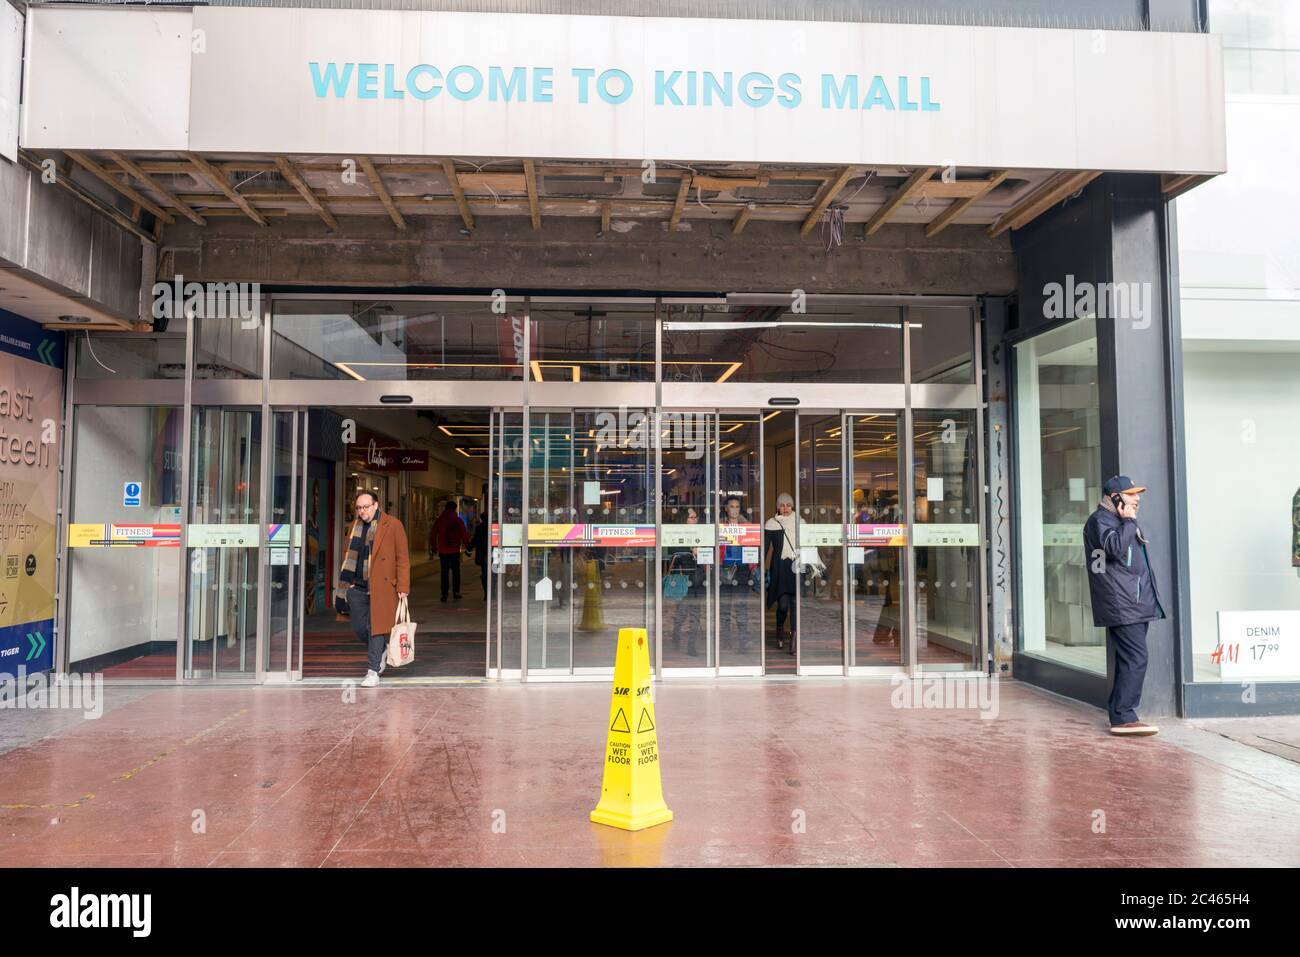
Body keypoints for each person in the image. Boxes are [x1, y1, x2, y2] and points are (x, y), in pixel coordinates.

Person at [1083, 475, 1166, 736]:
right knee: (1136, 658)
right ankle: (1124, 717)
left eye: (1137, 494)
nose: (1137, 498)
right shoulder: (1100, 521)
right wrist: (1129, 520)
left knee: (1129, 659)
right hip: (1122, 604)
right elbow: (1115, 549)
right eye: (1131, 494)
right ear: (1115, 497)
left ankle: (1120, 713)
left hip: (1134, 602)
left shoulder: (1117, 521)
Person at [335, 490, 410, 688]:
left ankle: (372, 671)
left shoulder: (392, 524)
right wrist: (347, 584)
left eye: (366, 507)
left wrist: (403, 586)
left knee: (376, 628)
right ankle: (382, 650)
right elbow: (348, 556)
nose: (362, 511)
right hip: (357, 587)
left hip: (382, 587)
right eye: (359, 508)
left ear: (376, 505)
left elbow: (402, 558)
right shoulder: (354, 526)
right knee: (360, 628)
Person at [718, 495, 755, 653]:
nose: (734, 509)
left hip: (741, 570)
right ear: (726, 509)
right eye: (731, 506)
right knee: (725, 608)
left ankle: (742, 642)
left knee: (741, 608)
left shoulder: (746, 527)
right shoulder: (720, 526)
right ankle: (725, 641)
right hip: (724, 569)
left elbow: (753, 546)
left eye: (737, 506)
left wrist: (753, 566)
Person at [765, 492, 800, 656]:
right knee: (783, 604)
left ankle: (794, 639)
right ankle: (780, 627)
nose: (785, 508)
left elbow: (809, 545)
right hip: (779, 567)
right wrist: (756, 567)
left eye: (788, 505)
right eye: (782, 505)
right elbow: (765, 548)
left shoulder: (801, 523)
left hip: (797, 566)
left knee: (795, 604)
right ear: (777, 507)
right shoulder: (772, 524)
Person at [667, 507, 704, 658]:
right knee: (682, 613)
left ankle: (691, 646)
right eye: (691, 517)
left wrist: (700, 553)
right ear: (684, 520)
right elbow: (673, 555)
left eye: (696, 517)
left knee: (696, 614)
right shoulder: (677, 536)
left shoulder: (703, 536)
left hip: (699, 580)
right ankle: (676, 634)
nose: (694, 520)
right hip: (684, 580)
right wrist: (689, 552)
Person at [430, 499, 472, 601]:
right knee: (456, 572)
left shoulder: (440, 520)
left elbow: (433, 534)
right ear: (455, 509)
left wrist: (434, 546)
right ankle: (456, 592)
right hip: (454, 550)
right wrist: (468, 548)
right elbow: (464, 535)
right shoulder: (458, 520)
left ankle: (444, 594)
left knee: (444, 573)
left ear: (445, 508)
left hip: (443, 550)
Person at [469, 512, 489, 596]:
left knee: (484, 573)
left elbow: (474, 540)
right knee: (493, 573)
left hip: (483, 554)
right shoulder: (494, 526)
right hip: (492, 554)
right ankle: (492, 591)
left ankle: (486, 593)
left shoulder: (479, 528)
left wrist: (469, 549)